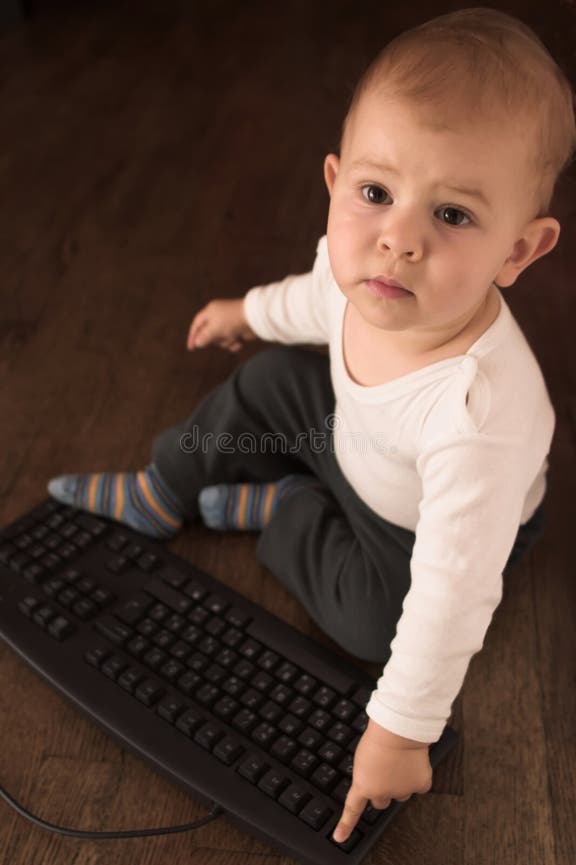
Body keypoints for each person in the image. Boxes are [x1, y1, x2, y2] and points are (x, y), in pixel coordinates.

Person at [47, 7, 575, 846]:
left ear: (519, 250)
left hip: (422, 529)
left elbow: (453, 590)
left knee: (374, 621)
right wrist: (245, 313)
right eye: (376, 193)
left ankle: (287, 512)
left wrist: (401, 729)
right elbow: (310, 296)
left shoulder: (479, 414)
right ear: (336, 183)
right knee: (267, 378)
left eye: (453, 216)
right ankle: (160, 488)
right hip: (360, 442)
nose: (398, 239)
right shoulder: (360, 269)